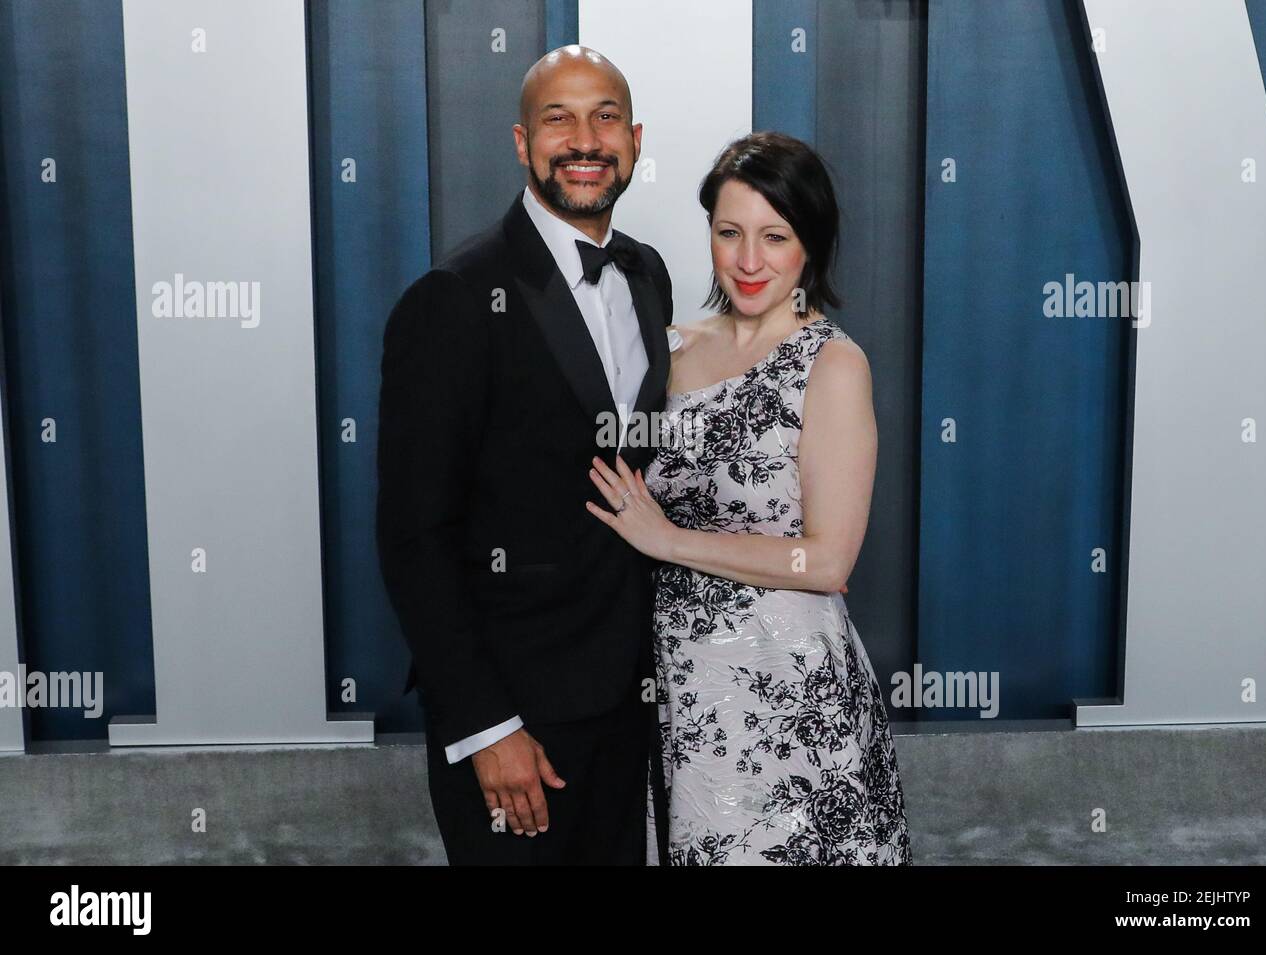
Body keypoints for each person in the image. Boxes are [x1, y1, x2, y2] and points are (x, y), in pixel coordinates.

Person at [375, 45, 672, 865]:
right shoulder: (455, 298)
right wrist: (485, 725)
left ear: (636, 140)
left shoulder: (647, 274)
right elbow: (413, 534)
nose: (586, 139)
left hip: (634, 704)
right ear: (520, 142)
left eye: (605, 117)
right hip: (516, 716)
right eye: (559, 119)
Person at [586, 131, 912, 865]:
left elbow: (829, 560)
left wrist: (667, 539)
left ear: (811, 244)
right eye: (729, 233)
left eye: (775, 236)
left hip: (789, 691)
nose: (749, 260)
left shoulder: (832, 363)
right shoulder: (665, 348)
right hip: (675, 685)